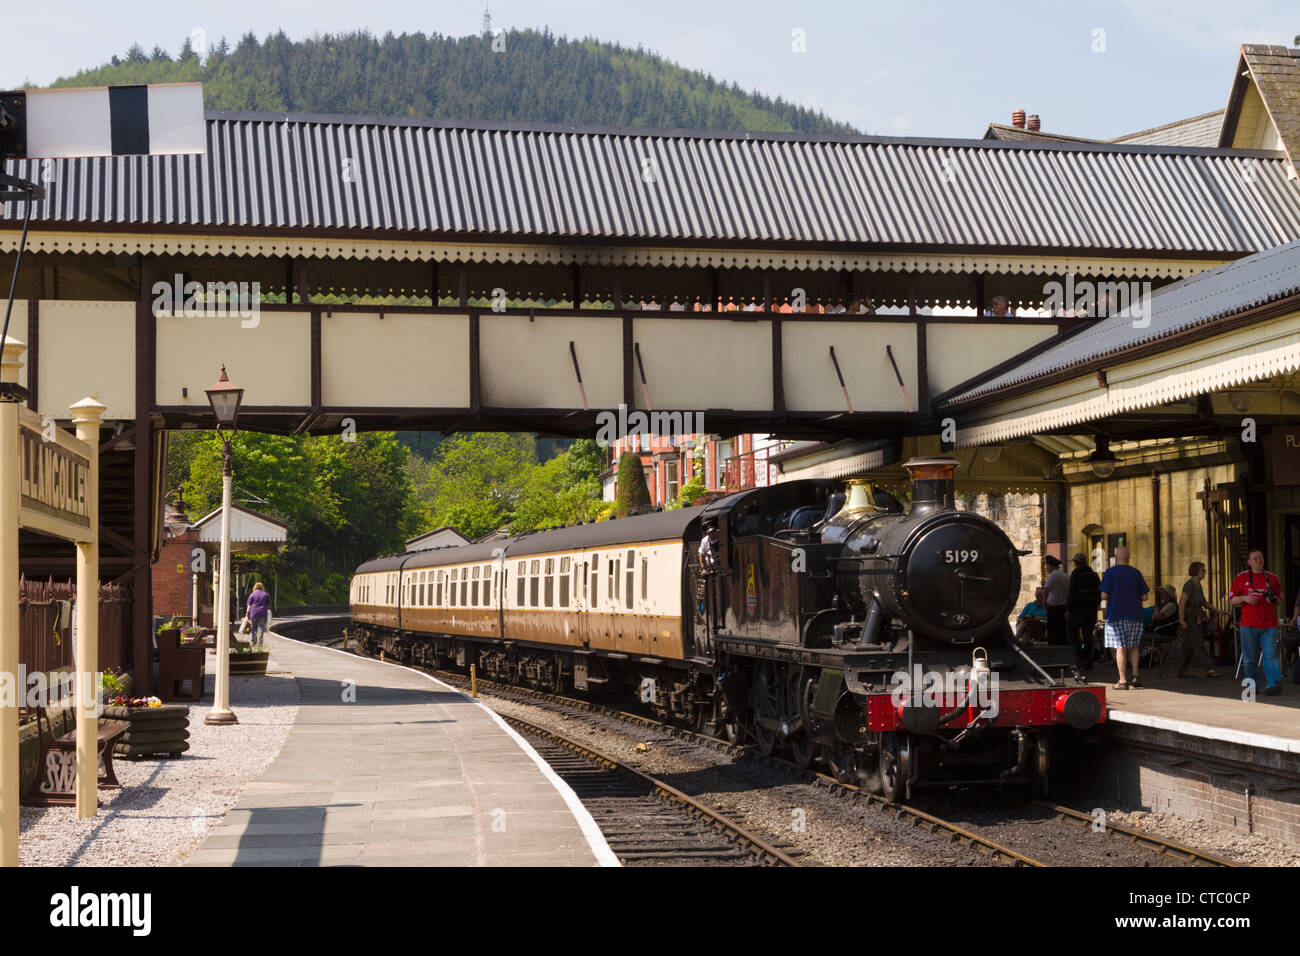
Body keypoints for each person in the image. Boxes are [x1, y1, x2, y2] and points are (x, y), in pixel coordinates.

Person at [1229, 549, 1283, 696]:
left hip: (1269, 624)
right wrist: (1245, 598)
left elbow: (1279, 601)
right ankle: (1253, 686)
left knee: (1270, 656)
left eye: (1260, 558)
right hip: (1248, 624)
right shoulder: (1241, 577)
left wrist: (1272, 600)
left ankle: (1272, 684)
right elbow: (1232, 599)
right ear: (1249, 562)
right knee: (1249, 658)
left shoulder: (1273, 578)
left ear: (1263, 560)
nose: (1258, 560)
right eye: (1255, 558)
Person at [1099, 546, 1148, 689]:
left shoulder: (1110, 573)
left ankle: (1123, 680)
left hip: (1116, 614)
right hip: (1135, 615)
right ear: (1128, 557)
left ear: (1116, 557)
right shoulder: (1136, 573)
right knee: (1134, 647)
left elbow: (1104, 595)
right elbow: (1145, 596)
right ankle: (1135, 676)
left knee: (1120, 647)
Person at [1176, 562, 1221, 678]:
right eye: (1202, 570)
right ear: (1196, 572)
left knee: (1188, 645)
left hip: (1197, 616)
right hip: (1190, 617)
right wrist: (1181, 620)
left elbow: (1204, 603)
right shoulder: (1189, 585)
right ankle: (1210, 669)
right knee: (1198, 643)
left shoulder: (1198, 585)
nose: (1204, 572)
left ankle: (1182, 669)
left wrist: (1216, 610)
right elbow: (1182, 603)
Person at [1066, 552, 1101, 670]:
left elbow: (1072, 592)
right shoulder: (1094, 574)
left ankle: (1080, 657)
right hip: (1091, 609)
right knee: (1087, 635)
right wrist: (1096, 606)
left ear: (1076, 563)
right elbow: (1099, 592)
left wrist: (1068, 609)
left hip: (1078, 608)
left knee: (1071, 632)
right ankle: (1088, 662)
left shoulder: (1076, 573)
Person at [1043, 555, 1069, 647]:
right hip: (1064, 607)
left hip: (1054, 608)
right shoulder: (1066, 575)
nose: (1046, 568)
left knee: (1053, 632)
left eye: (1047, 565)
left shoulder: (1053, 575)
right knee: (1061, 631)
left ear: (1051, 566)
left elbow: (1045, 590)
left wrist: (1044, 603)